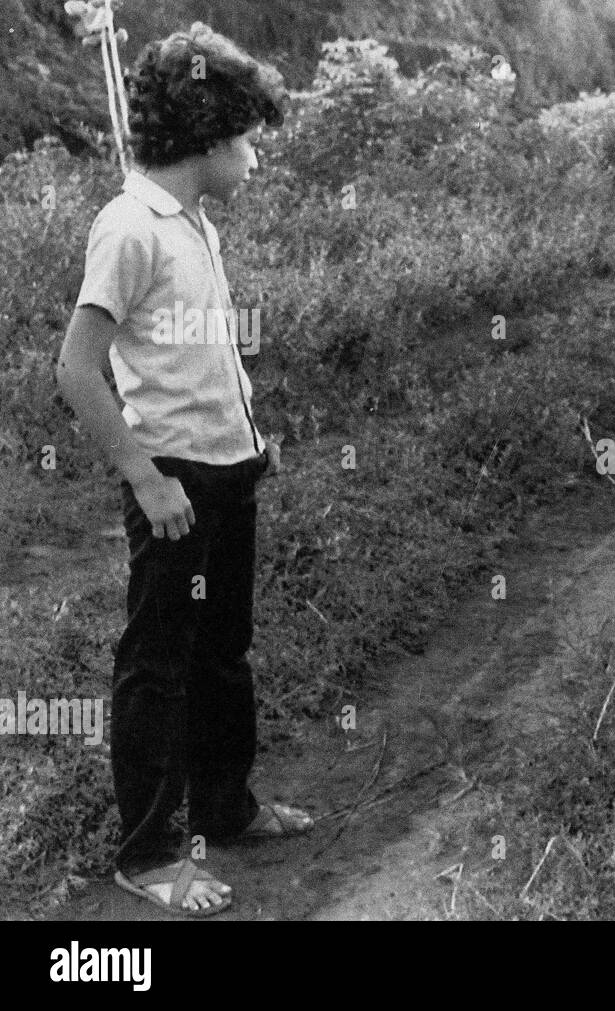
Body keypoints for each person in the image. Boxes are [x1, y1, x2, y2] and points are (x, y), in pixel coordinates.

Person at [56, 23, 308, 917]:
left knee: (222, 652)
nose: (253, 157)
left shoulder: (193, 220)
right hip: (174, 484)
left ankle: (227, 806)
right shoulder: (129, 227)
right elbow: (76, 371)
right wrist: (147, 478)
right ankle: (150, 851)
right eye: (245, 140)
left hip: (227, 470)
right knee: (158, 663)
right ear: (206, 137)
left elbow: (197, 353)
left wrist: (249, 434)